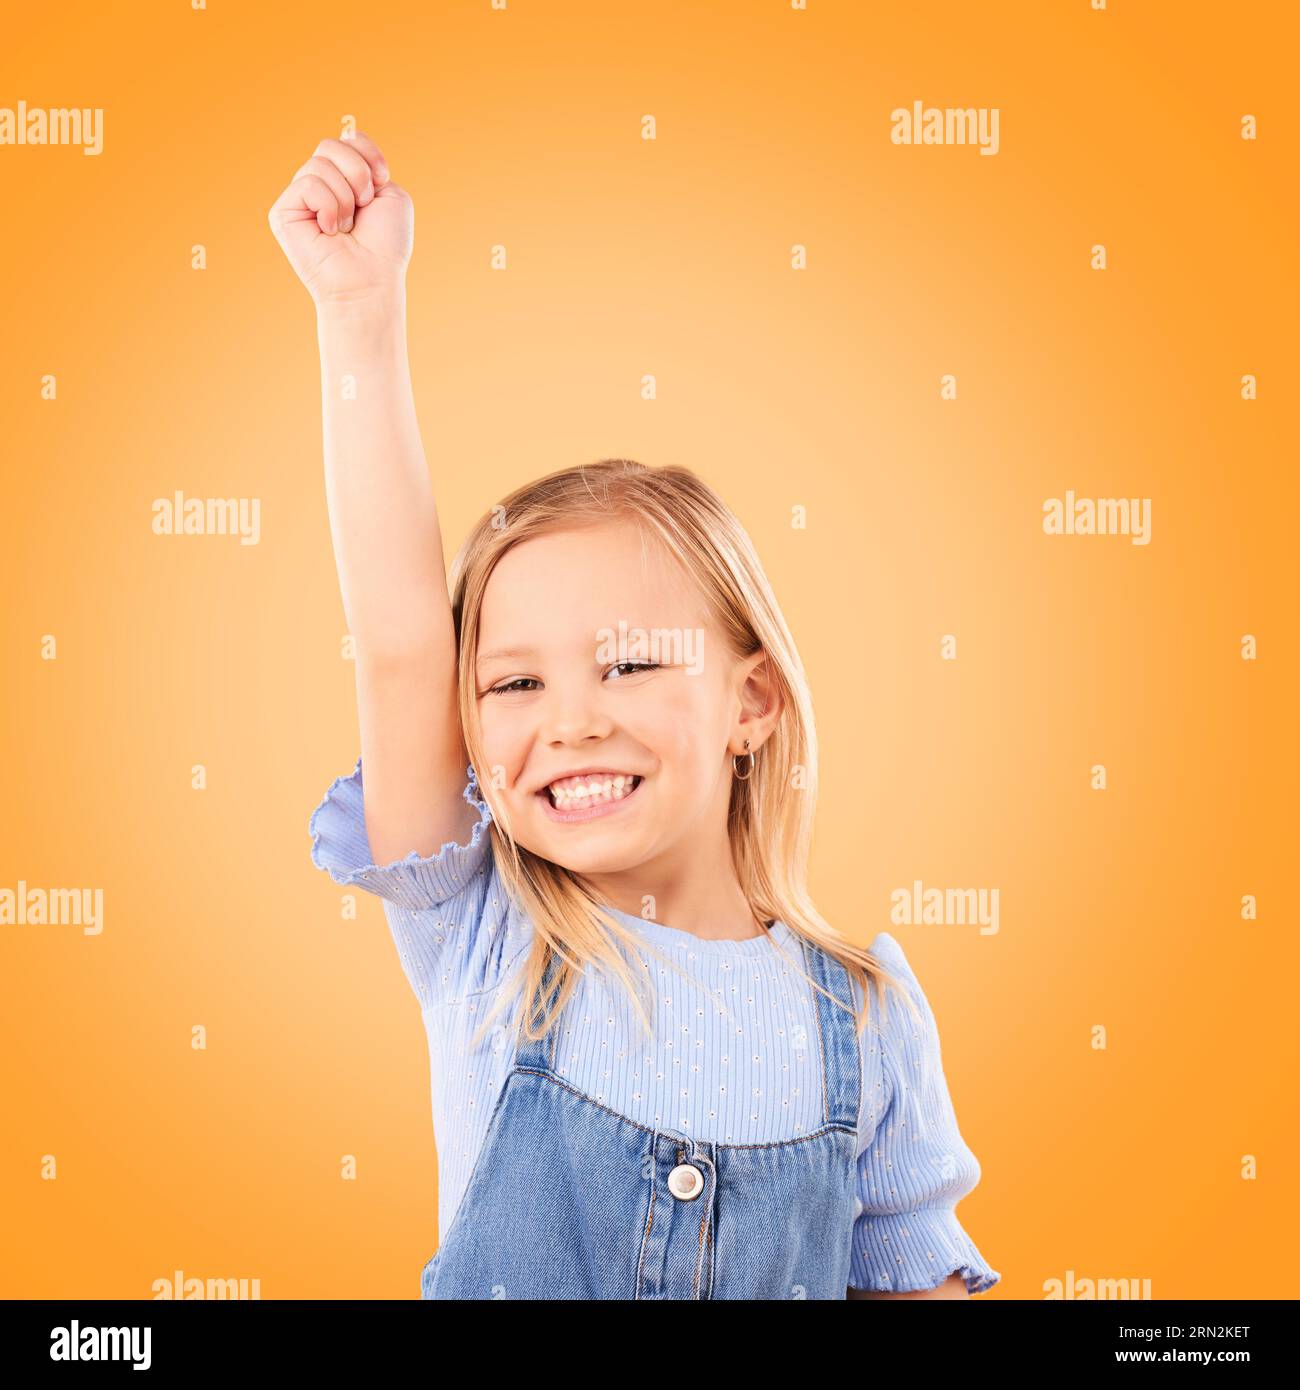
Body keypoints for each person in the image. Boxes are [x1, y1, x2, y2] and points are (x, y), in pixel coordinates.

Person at [269, 132, 1000, 1301]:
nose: (569, 721)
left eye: (626, 665)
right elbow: (405, 642)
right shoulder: (484, 940)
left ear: (750, 702)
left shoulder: (866, 1017)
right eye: (514, 683)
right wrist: (358, 314)